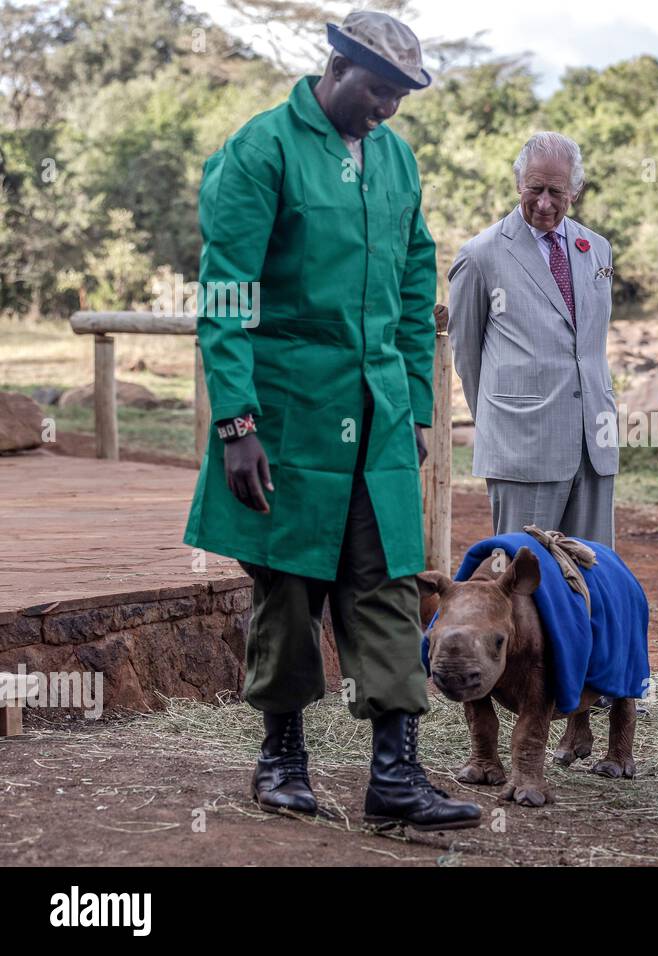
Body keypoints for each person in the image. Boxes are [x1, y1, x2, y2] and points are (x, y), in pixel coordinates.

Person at [183, 11, 481, 830]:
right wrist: (236, 425)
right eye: (379, 90)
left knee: (387, 584)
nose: (387, 109)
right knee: (288, 590)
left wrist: (417, 404)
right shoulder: (260, 150)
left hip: (379, 412)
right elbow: (227, 294)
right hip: (286, 412)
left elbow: (417, 266)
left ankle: (396, 777)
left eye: (399, 96)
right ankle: (281, 759)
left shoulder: (395, 159)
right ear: (338, 68)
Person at [448, 132, 619, 548]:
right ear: (517, 184)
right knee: (527, 583)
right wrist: (503, 422)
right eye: (534, 189)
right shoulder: (479, 255)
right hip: (521, 451)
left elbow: (589, 346)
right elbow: (466, 356)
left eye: (556, 192)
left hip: (594, 443)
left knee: (593, 579)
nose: (544, 203)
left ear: (575, 190)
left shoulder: (598, 250)